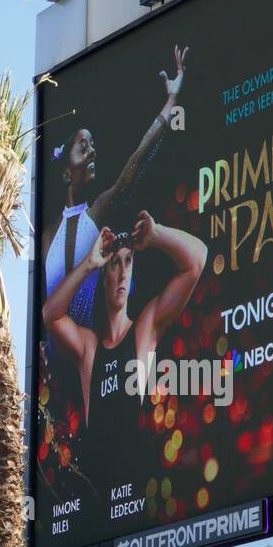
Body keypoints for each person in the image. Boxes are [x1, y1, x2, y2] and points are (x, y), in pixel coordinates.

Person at [42, 211, 207, 500]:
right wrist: (89, 264)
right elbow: (50, 314)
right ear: (104, 275)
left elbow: (196, 261)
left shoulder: (143, 330)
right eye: (114, 264)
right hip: (94, 497)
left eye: (128, 262)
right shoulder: (89, 348)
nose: (122, 273)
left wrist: (156, 235)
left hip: (137, 495)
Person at [42, 45, 189, 327]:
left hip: (84, 356)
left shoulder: (97, 211)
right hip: (51, 358)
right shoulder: (48, 236)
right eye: (83, 146)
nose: (92, 151)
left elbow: (139, 155)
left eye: (94, 146)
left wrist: (172, 99)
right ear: (65, 173)